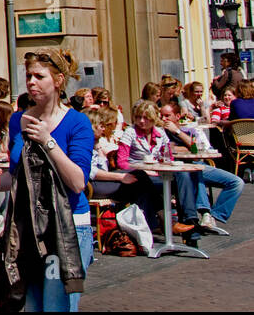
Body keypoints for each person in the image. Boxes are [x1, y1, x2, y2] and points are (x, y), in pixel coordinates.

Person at [0, 50, 95, 312]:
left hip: (67, 226)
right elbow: (15, 175)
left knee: (56, 306)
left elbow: (77, 182)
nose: (31, 82)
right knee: (30, 305)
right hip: (28, 228)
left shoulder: (77, 122)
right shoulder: (19, 120)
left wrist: (47, 141)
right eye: (28, 76)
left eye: (39, 76)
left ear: (58, 80)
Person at [159, 100, 244, 231]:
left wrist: (177, 132)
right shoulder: (160, 132)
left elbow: (196, 150)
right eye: (161, 116)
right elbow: (167, 149)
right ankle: (205, 213)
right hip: (178, 169)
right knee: (195, 171)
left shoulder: (188, 128)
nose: (163, 119)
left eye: (167, 116)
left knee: (237, 182)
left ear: (177, 116)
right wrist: (184, 147)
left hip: (198, 164)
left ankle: (214, 216)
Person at [116, 99, 192, 235]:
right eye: (138, 117)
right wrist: (144, 169)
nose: (142, 121)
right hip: (137, 174)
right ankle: (169, 223)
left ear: (153, 118)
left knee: (184, 175)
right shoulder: (130, 132)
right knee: (145, 179)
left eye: (146, 118)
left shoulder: (160, 133)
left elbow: (168, 156)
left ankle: (190, 219)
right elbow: (121, 162)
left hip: (158, 173)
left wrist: (161, 163)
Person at [85, 106, 158, 230]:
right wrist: (121, 177)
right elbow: (92, 172)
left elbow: (104, 168)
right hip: (92, 185)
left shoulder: (96, 143)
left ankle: (149, 224)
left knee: (139, 176)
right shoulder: (84, 144)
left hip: (102, 180)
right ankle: (154, 223)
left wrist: (99, 148)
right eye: (100, 125)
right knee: (139, 184)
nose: (103, 128)